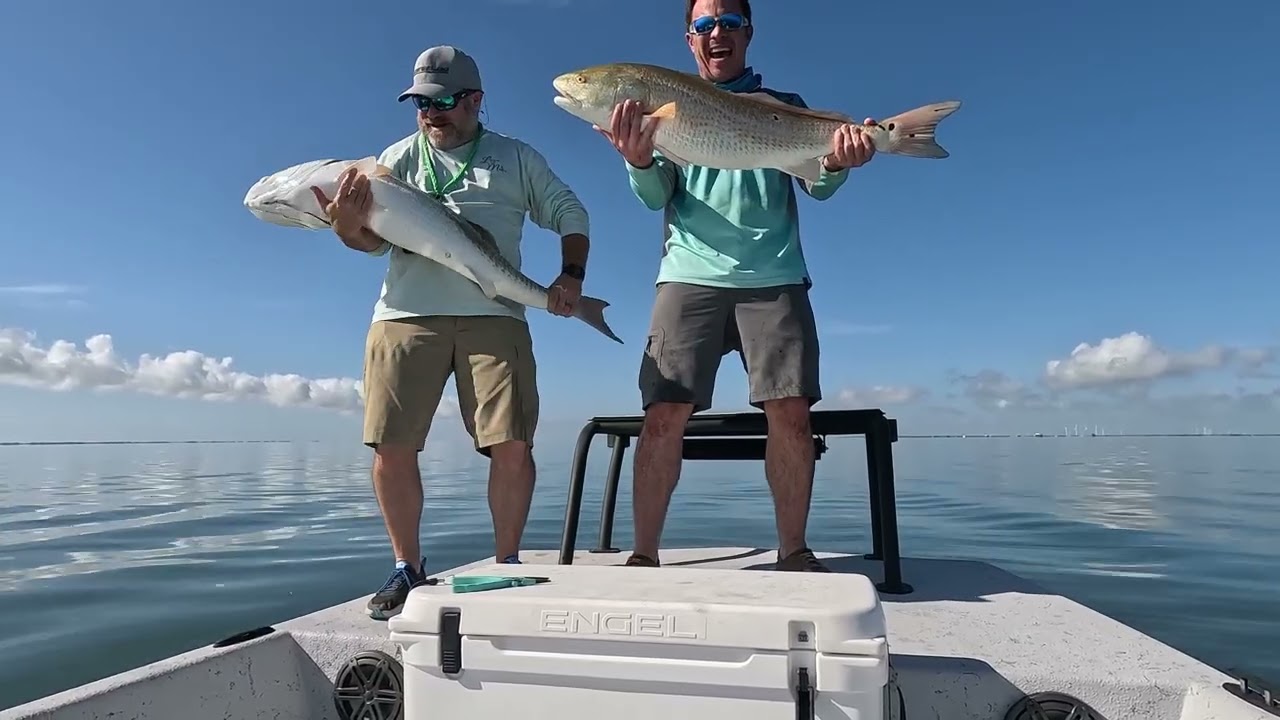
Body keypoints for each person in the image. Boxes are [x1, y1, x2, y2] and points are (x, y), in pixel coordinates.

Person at [594, 0, 879, 572]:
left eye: (727, 22)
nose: (716, 32)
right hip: (688, 274)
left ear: (748, 33)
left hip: (774, 275)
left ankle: (794, 552)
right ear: (689, 39)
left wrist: (842, 161)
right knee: (662, 413)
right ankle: (644, 554)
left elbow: (819, 188)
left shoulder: (787, 108)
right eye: (704, 24)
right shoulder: (660, 104)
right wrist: (638, 160)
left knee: (791, 413)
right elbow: (655, 197)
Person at [312, 45, 593, 619]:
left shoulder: (516, 158)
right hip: (404, 314)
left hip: (496, 313)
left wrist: (570, 276)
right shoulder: (392, 161)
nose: (430, 113)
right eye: (419, 102)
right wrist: (346, 229)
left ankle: (507, 564)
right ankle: (405, 566)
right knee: (391, 444)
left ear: (475, 101)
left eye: (442, 101)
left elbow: (571, 212)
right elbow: (373, 243)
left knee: (511, 442)